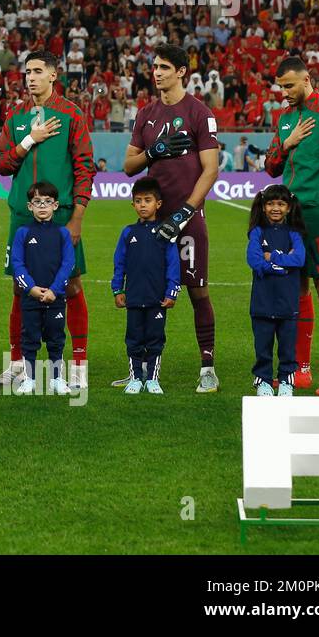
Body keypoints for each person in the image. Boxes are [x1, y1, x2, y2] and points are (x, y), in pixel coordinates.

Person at [121, 44, 221, 393]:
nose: (158, 72)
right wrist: (154, 151)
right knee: (144, 293)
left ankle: (207, 367)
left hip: (187, 218)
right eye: (155, 67)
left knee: (198, 292)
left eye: (165, 67)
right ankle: (141, 369)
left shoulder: (199, 112)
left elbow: (211, 170)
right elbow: (128, 166)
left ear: (182, 71)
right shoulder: (146, 114)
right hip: (152, 221)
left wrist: (185, 211)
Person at [0, 52, 95, 389]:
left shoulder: (71, 114)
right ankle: (20, 364)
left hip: (62, 215)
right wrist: (28, 141)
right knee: (18, 287)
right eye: (28, 72)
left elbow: (84, 166)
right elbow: (2, 164)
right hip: (22, 217)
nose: (31, 77)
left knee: (73, 284)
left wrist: (77, 217)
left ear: (54, 75)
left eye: (38, 71)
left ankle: (77, 365)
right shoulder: (17, 117)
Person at [264, 57, 319, 395]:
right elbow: (271, 168)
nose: (284, 92)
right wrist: (286, 144)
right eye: (280, 86)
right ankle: (301, 369)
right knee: (297, 291)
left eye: (289, 85)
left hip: (317, 214)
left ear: (306, 79)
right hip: (288, 216)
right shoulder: (286, 118)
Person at [111, 177, 180, 395]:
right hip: (133, 297)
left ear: (158, 204)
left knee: (155, 340)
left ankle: (152, 379)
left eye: (147, 200)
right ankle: (135, 378)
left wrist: (172, 291)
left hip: (157, 298)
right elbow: (119, 262)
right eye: (138, 201)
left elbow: (173, 264)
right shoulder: (128, 232)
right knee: (133, 339)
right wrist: (117, 289)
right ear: (132, 204)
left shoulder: (165, 232)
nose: (142, 205)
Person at [9, 181, 75, 397]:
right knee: (29, 338)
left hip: (55, 297)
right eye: (37, 202)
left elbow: (68, 264)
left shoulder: (62, 233)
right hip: (31, 297)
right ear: (30, 206)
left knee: (56, 338)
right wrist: (31, 288)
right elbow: (17, 263)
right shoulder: (23, 232)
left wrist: (55, 290)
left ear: (55, 205)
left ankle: (57, 378)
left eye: (47, 202)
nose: (43, 206)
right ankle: (30, 379)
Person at [246, 185, 307, 397]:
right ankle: (263, 381)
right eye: (271, 204)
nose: (275, 208)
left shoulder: (294, 233)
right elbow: (254, 260)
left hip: (287, 302)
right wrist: (282, 267)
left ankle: (286, 381)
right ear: (263, 207)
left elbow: (299, 259)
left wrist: (272, 258)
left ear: (288, 208)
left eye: (280, 204)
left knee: (287, 349)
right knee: (263, 347)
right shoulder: (257, 231)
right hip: (262, 302)